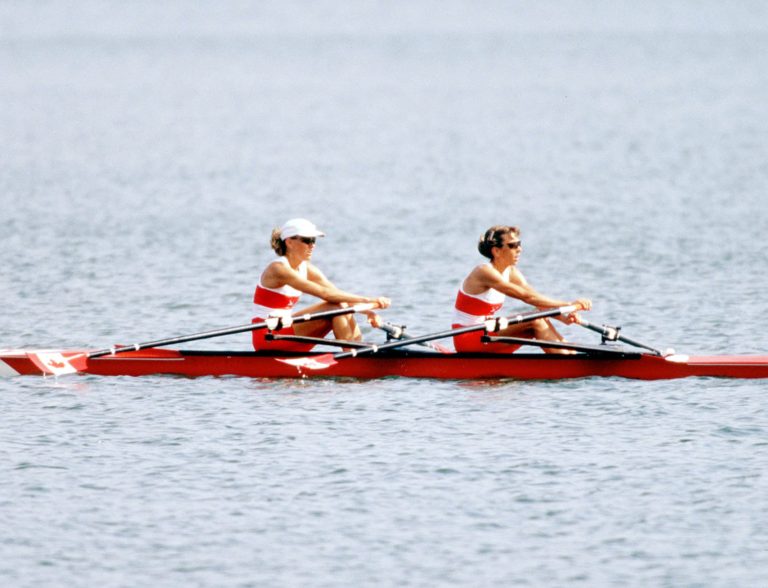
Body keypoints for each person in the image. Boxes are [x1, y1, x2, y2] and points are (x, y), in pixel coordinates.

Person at [252, 218, 390, 351]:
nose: (312, 245)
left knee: (340, 305)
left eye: (313, 240)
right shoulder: (278, 269)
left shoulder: (307, 268)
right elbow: (325, 294)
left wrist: (368, 312)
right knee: (335, 306)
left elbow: (335, 293)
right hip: (267, 335)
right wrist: (369, 300)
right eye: (307, 240)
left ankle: (357, 351)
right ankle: (355, 357)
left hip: (284, 330)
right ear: (289, 242)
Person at [452, 225, 591, 354]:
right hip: (467, 338)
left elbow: (536, 299)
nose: (519, 249)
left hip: (486, 333)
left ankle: (571, 354)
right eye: (513, 245)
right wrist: (568, 305)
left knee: (538, 316)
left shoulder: (511, 272)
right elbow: (526, 297)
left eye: (519, 244)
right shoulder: (483, 272)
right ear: (496, 251)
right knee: (535, 320)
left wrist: (564, 316)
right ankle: (570, 362)